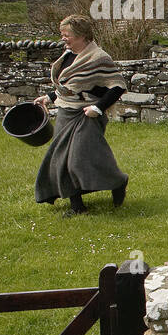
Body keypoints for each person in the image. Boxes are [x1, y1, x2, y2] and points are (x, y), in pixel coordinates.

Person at [33, 15, 129, 216]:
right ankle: (77, 207)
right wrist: (49, 97)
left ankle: (118, 182)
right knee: (61, 160)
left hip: (87, 115)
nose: (63, 39)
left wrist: (98, 108)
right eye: (62, 35)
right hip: (66, 112)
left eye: (67, 35)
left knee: (78, 160)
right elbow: (70, 86)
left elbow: (118, 86)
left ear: (82, 36)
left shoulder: (98, 58)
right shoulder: (68, 54)